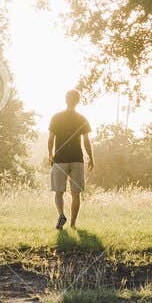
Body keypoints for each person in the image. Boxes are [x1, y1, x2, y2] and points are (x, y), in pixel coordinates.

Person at [47, 89, 94, 229]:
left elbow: (51, 138)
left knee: (58, 192)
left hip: (60, 159)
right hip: (77, 159)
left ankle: (61, 215)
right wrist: (91, 157)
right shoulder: (81, 118)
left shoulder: (56, 117)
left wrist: (50, 154)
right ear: (78, 101)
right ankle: (73, 224)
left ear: (65, 100)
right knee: (76, 194)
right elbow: (86, 141)